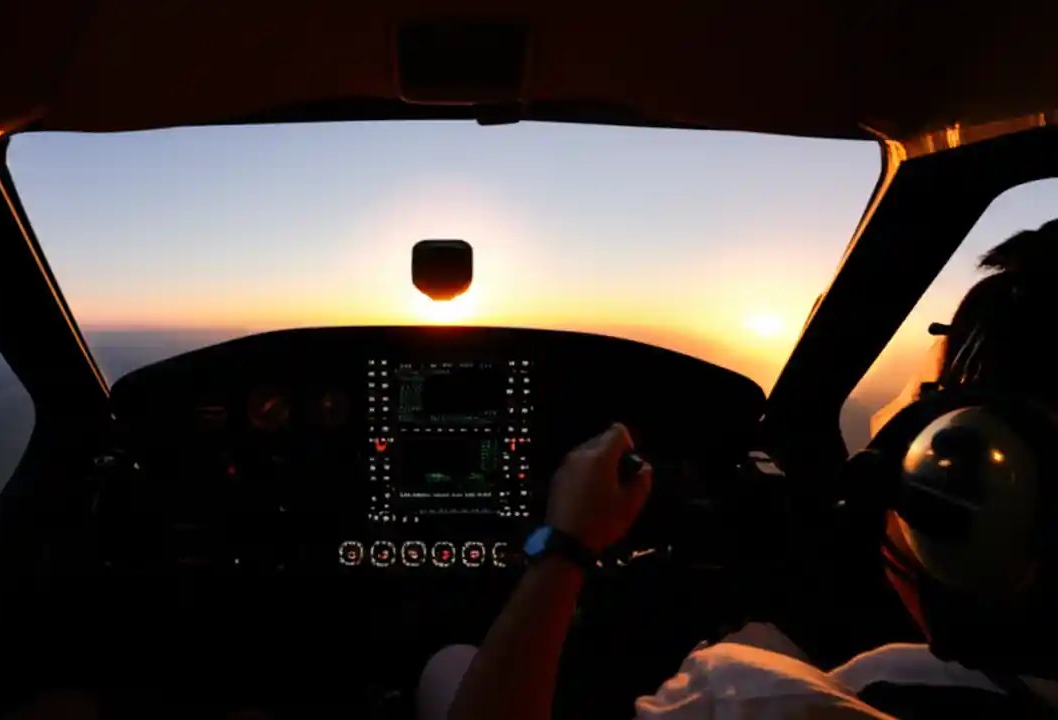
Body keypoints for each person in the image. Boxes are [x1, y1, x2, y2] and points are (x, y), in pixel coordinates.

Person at [419, 221, 1058, 719]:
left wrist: (564, 546)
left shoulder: (743, 699)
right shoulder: (905, 675)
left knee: (449, 663)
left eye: (942, 447)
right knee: (764, 634)